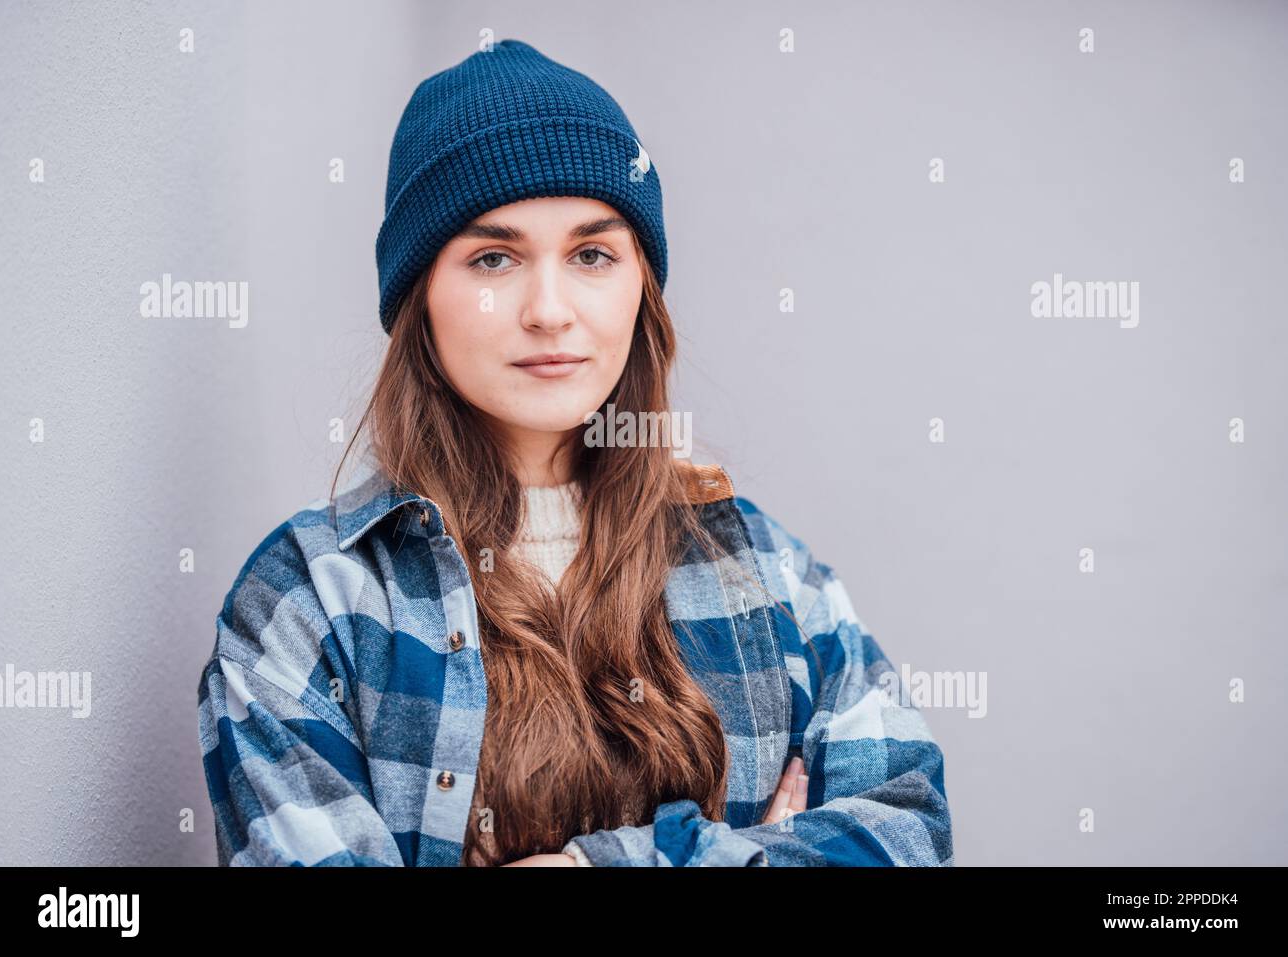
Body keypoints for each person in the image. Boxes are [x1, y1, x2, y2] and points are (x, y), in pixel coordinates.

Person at [195, 37, 953, 867]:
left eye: (592, 254)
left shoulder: (763, 570)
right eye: (494, 258)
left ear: (640, 289)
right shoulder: (310, 605)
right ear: (421, 299)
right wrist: (748, 852)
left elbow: (909, 830)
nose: (549, 309)